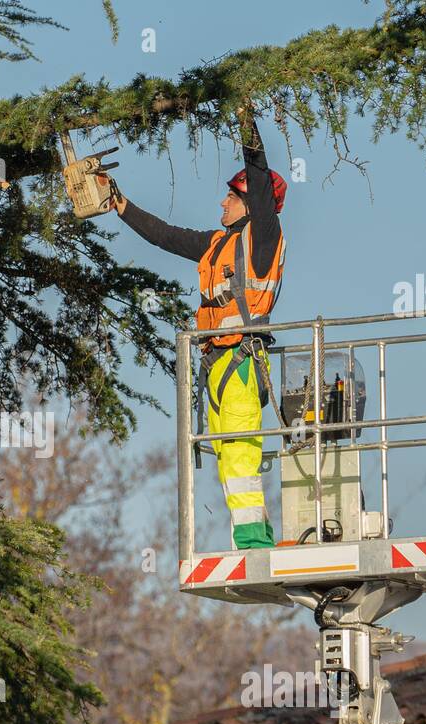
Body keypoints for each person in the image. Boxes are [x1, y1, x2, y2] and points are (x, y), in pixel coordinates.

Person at [106, 111, 287, 549]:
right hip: (216, 363)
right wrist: (121, 205)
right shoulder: (216, 243)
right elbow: (165, 236)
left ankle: (253, 545)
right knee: (227, 452)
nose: (222, 204)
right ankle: (250, 538)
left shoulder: (262, 237)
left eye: (230, 198)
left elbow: (259, 178)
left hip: (242, 363)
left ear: (251, 204)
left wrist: (246, 120)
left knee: (240, 450)